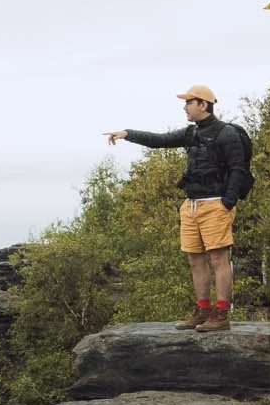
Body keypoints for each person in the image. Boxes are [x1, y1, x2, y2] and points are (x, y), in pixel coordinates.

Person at [105, 85, 252, 331]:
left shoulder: (226, 134)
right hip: (191, 205)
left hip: (215, 204)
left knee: (218, 258)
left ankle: (221, 314)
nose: (184, 107)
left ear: (203, 104)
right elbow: (159, 141)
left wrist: (228, 202)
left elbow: (239, 169)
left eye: (188, 102)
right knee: (196, 260)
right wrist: (127, 133)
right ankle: (203, 311)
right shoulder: (191, 133)